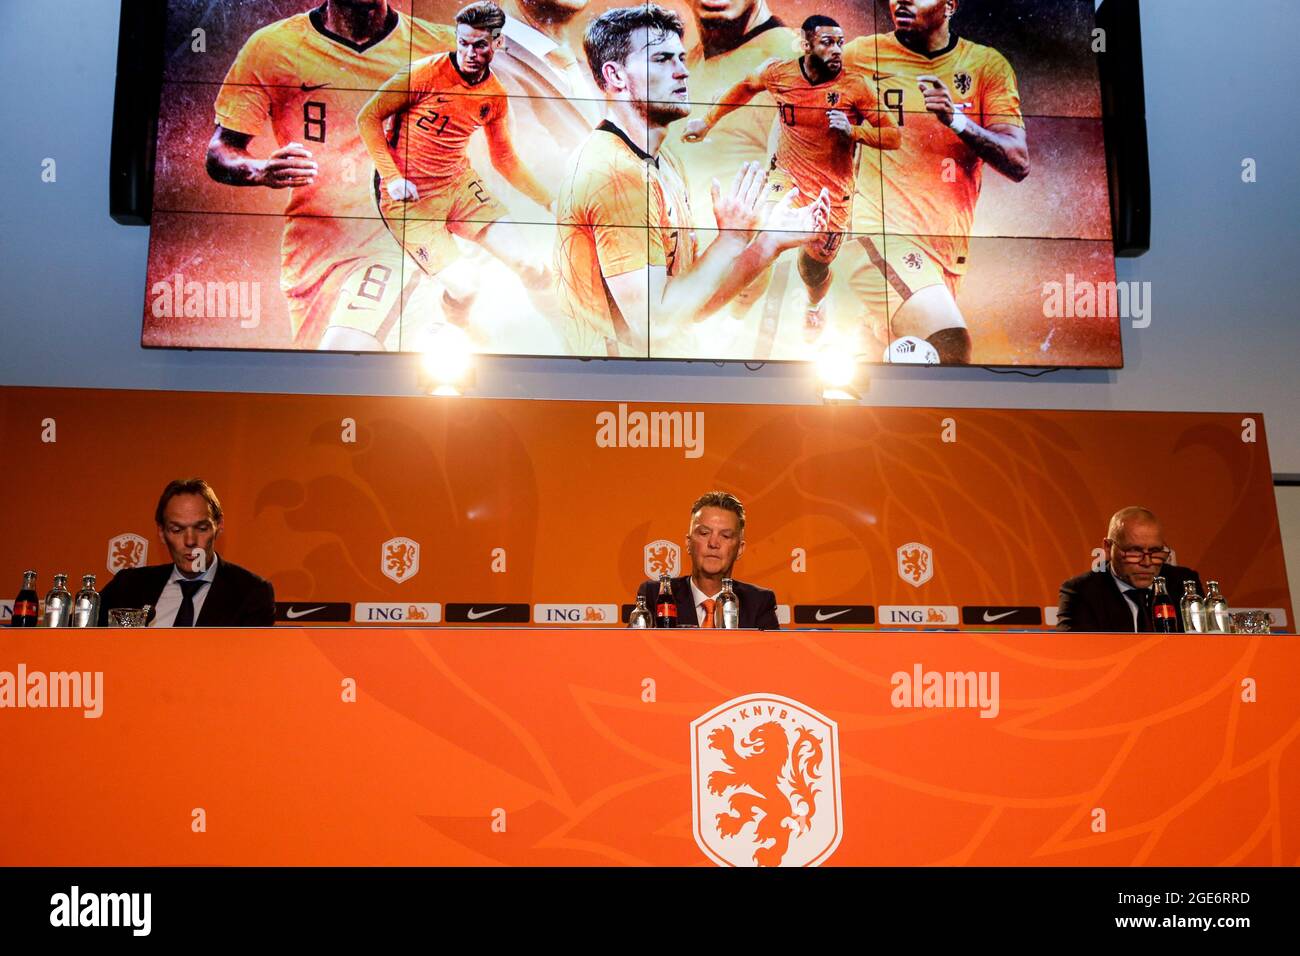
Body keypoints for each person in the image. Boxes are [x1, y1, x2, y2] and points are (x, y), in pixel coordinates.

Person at [556, 4, 831, 357]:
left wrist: (768, 243)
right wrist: (730, 240)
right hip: (621, 396)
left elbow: (689, 303)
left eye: (681, 59)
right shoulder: (615, 174)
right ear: (616, 76)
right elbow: (654, 325)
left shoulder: (664, 161)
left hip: (671, 384)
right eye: (662, 60)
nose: (682, 72)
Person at [204, 1, 454, 350]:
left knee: (344, 353)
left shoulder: (444, 48)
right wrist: (260, 170)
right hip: (312, 259)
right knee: (328, 382)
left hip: (398, 244)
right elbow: (220, 152)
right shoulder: (273, 47)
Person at [683, 14, 900, 340]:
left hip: (831, 196)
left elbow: (892, 135)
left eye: (840, 43)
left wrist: (853, 131)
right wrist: (707, 121)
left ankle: (815, 304)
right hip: (785, 180)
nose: (837, 50)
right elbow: (744, 87)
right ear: (806, 43)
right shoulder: (779, 72)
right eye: (828, 42)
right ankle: (734, 319)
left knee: (812, 270)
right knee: (762, 250)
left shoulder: (855, 87)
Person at [357, 1, 559, 343]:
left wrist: (549, 201)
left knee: (530, 264)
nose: (469, 52)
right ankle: (461, 330)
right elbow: (368, 117)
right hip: (412, 199)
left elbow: (505, 159)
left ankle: (566, 330)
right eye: (462, 42)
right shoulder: (423, 74)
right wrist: (392, 178)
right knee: (466, 288)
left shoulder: (493, 95)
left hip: (459, 186)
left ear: (498, 44)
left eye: (479, 45)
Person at [842, 0, 1029, 364]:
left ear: (950, 5)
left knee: (882, 372)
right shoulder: (859, 56)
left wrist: (956, 120)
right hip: (878, 234)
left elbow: (1019, 162)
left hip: (945, 259)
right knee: (949, 344)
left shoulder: (986, 66)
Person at [98, 479, 275, 628]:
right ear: (161, 532)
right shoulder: (128, 586)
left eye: (201, 528)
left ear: (219, 526)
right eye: (177, 530)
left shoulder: (250, 593)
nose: (190, 541)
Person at [636, 491, 779, 630]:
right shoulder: (657, 595)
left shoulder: (759, 602)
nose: (713, 543)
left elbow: (773, 653)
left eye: (726, 536)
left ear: (740, 549)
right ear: (688, 543)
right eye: (704, 533)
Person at [1057, 506, 1203, 632]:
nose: (1147, 562)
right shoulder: (1082, 592)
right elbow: (1075, 656)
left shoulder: (1184, 584)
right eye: (1134, 551)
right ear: (1108, 547)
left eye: (1155, 551)